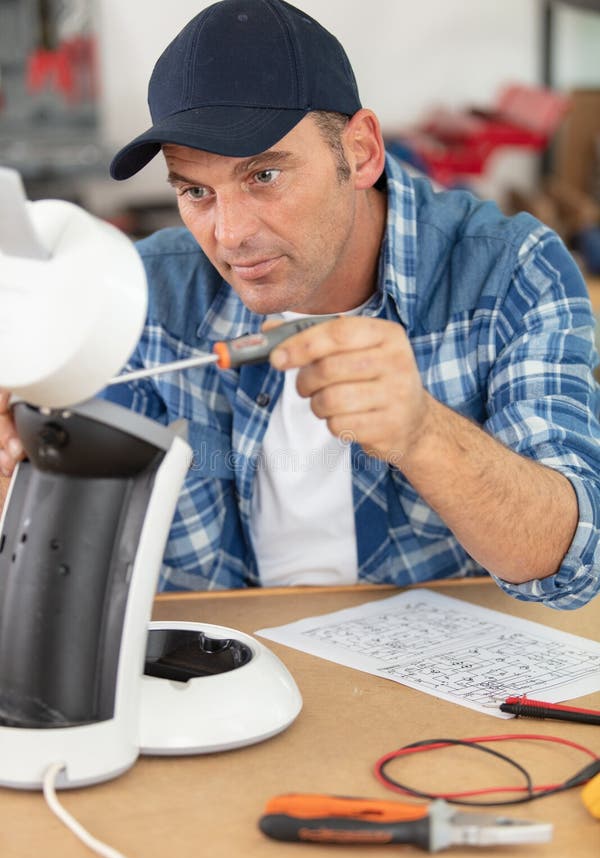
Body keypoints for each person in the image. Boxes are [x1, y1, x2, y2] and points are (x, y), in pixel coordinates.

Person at [1, 0, 599, 608]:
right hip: (223, 659)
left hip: (439, 662)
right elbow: (73, 565)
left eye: (264, 176)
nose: (230, 234)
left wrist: (424, 434)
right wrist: (15, 478)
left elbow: (573, 564)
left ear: (361, 151)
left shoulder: (510, 271)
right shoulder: (140, 296)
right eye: (196, 191)